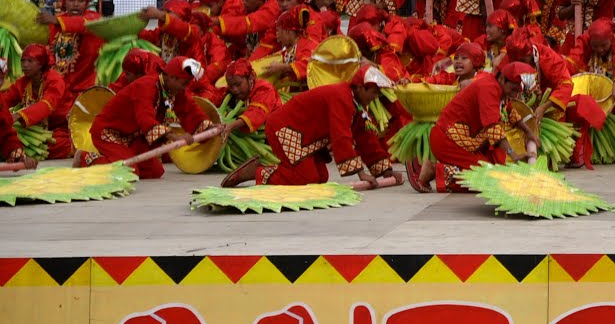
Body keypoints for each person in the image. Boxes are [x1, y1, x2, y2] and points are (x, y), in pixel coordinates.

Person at [222, 65, 395, 187]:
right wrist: (361, 174)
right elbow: (341, 136)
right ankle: (257, 172)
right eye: (374, 92)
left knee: (321, 176)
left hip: (303, 133)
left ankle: (265, 171)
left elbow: (365, 138)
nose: (376, 96)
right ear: (361, 88)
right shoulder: (342, 97)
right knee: (306, 177)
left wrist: (385, 171)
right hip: (283, 127)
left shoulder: (355, 102)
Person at [413, 62, 539, 192]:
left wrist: (529, 133)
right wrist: (513, 155)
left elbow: (511, 114)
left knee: (498, 173)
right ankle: (434, 169)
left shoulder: (501, 90)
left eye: (517, 91)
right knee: (485, 180)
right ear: (502, 79)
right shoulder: (489, 88)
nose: (514, 95)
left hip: (469, 143)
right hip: (448, 141)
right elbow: (492, 128)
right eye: (513, 90)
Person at [88, 57, 209, 179]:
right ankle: (86, 158)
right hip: (110, 132)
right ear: (173, 77)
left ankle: (119, 159)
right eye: (184, 83)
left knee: (155, 171)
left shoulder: (173, 89)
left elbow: (190, 109)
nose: (185, 88)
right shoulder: (146, 86)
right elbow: (145, 118)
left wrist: (210, 127)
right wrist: (174, 137)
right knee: (129, 172)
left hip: (134, 136)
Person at [1, 44, 72, 159]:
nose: (24, 65)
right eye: (23, 61)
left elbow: (47, 104)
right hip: (34, 129)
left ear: (41, 63)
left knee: (52, 144)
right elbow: (5, 100)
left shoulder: (55, 80)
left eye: (30, 61)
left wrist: (19, 115)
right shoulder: (22, 83)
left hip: (60, 128)